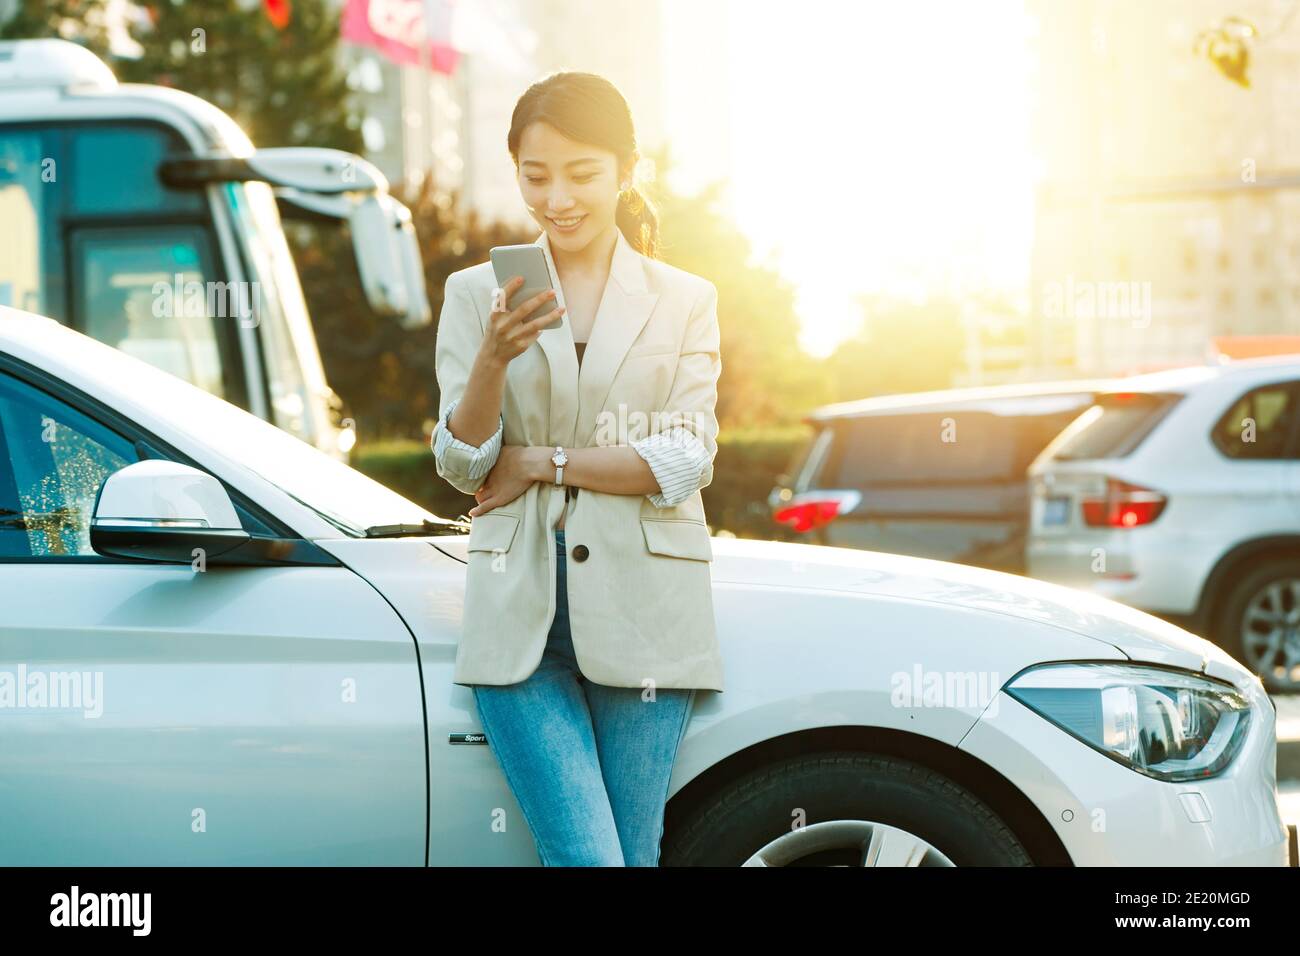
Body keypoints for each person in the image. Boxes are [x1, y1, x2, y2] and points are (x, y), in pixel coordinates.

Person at [430, 71, 725, 866]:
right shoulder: (474, 294)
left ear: (627, 171)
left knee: (633, 853)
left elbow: (685, 457)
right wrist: (491, 362)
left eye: (582, 173)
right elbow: (465, 465)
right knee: (591, 860)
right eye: (535, 175)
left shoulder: (685, 299)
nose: (557, 197)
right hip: (519, 618)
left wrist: (546, 461)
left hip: (649, 617)